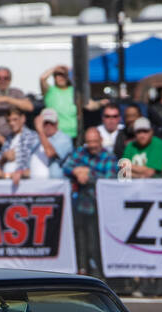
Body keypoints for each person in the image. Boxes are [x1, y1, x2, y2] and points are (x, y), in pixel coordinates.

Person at [62, 128, 117, 273]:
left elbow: (111, 178)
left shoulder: (109, 157)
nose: (92, 145)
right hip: (81, 206)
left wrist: (89, 174)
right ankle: (82, 269)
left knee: (95, 244)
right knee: (81, 242)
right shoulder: (81, 152)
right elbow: (66, 166)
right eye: (89, 142)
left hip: (100, 208)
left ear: (101, 141)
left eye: (94, 141)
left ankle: (99, 273)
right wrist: (76, 171)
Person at [0, 67, 34, 150]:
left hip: (20, 139)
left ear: (10, 79)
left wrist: (6, 99)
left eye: (6, 78)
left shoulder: (17, 93)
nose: (2, 81)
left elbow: (29, 107)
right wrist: (3, 141)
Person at [0, 108, 40, 182]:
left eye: (15, 119)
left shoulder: (32, 137)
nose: (11, 123)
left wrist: (16, 174)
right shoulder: (8, 139)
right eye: (9, 121)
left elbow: (27, 170)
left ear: (23, 119)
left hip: (25, 185)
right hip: (6, 184)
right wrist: (3, 159)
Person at [39, 64, 78, 139]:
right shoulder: (50, 91)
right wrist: (56, 67)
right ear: (54, 77)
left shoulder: (74, 90)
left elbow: (82, 80)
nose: (61, 77)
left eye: (64, 75)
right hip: (55, 134)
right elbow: (42, 78)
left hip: (74, 134)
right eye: (58, 75)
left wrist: (71, 70)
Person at [33, 108, 72, 179]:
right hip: (36, 182)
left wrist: (41, 132)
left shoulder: (64, 139)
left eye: (51, 123)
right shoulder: (35, 138)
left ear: (57, 123)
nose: (48, 126)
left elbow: (50, 153)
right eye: (45, 123)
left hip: (57, 183)